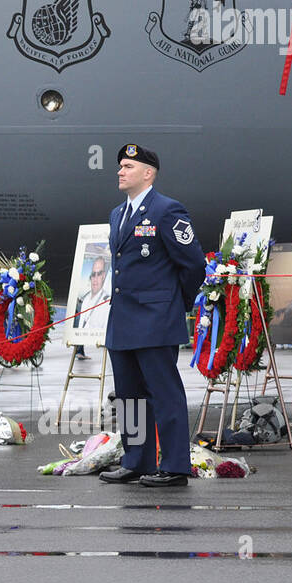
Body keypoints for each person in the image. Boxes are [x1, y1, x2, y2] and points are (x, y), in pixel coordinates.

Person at [99, 143, 205, 488]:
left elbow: (193, 265)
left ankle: (175, 466)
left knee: (164, 393)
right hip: (124, 320)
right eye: (120, 166)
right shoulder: (118, 214)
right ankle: (137, 460)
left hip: (156, 320)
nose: (120, 171)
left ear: (148, 173)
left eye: (128, 166)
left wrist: (176, 304)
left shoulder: (167, 211)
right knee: (129, 395)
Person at [69, 256, 111, 359]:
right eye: (93, 274)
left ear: (104, 276)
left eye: (99, 274)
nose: (95, 278)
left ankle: (79, 350)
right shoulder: (85, 298)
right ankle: (79, 350)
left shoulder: (106, 299)